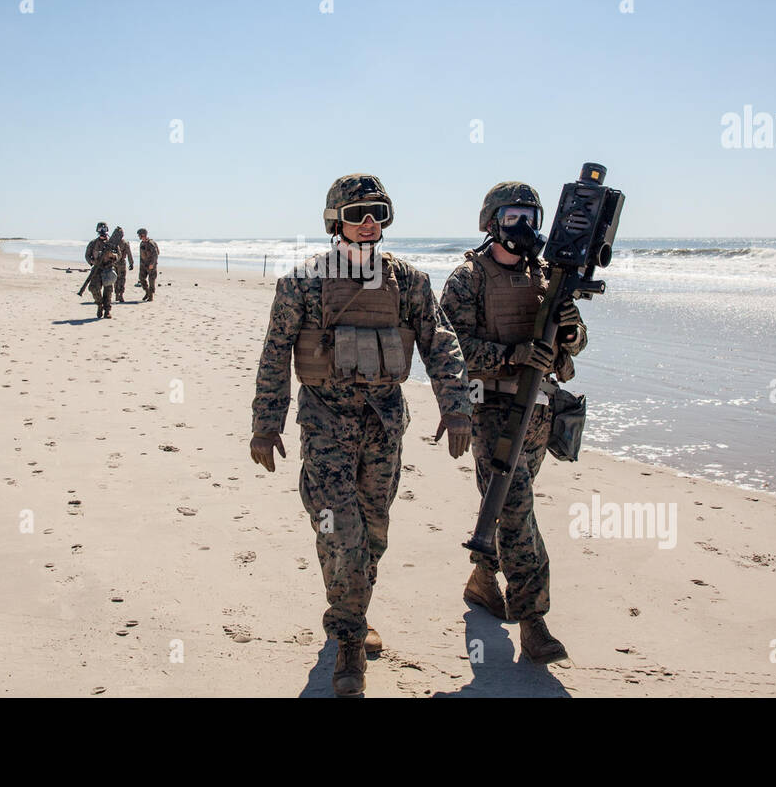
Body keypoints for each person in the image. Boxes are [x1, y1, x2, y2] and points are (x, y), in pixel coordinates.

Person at [249, 174, 473, 696]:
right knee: (338, 531)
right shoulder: (301, 284)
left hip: (384, 423)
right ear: (336, 222)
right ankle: (348, 636)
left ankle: (355, 609)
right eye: (358, 213)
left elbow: (442, 345)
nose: (370, 222)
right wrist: (266, 424)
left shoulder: (410, 283)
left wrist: (457, 408)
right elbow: (274, 353)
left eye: (379, 212)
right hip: (326, 423)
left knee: (374, 531)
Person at [439, 182, 587, 666]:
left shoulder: (547, 275)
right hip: (492, 414)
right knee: (517, 512)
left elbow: (578, 341)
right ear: (491, 222)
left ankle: (483, 580)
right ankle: (533, 621)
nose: (522, 227)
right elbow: (452, 349)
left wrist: (568, 327)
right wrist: (514, 355)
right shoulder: (468, 279)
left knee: (504, 510)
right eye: (512, 217)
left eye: (531, 217)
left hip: (539, 413)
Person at [84, 222, 122, 319]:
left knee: (108, 291)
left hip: (108, 268)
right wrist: (93, 261)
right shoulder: (93, 243)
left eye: (104, 229)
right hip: (97, 269)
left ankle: (107, 310)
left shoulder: (112, 244)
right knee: (93, 288)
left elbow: (119, 255)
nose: (102, 232)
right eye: (100, 229)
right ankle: (99, 305)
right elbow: (87, 255)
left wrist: (113, 256)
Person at [110, 226, 134, 303]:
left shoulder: (111, 242)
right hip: (121, 263)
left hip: (113, 263)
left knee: (115, 279)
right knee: (121, 279)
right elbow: (129, 254)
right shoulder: (125, 242)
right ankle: (120, 295)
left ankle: (117, 294)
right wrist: (131, 263)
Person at [137, 228, 159, 301]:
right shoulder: (142, 243)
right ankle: (147, 292)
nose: (138, 236)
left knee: (151, 280)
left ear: (143, 235)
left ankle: (151, 295)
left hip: (151, 265)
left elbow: (155, 254)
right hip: (143, 265)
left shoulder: (151, 243)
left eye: (139, 235)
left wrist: (152, 264)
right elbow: (141, 255)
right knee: (141, 278)